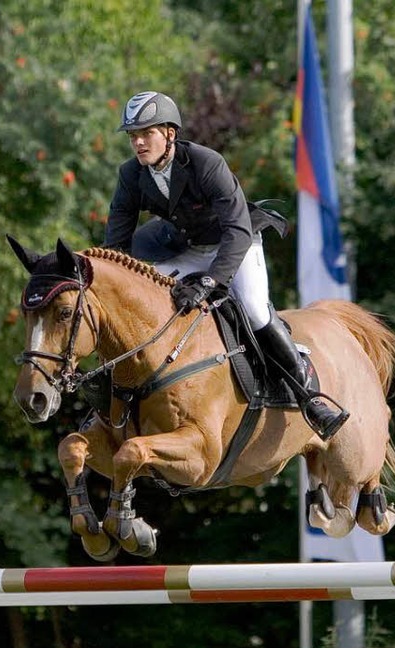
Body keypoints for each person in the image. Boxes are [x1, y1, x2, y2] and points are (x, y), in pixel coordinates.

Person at [104, 91, 349, 440]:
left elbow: (237, 229)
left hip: (237, 242)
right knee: (141, 301)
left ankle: (309, 397)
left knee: (253, 309)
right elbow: (115, 244)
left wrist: (210, 282)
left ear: (170, 133)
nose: (139, 142)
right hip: (186, 246)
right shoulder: (131, 175)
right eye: (133, 136)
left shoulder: (206, 163)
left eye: (147, 133)